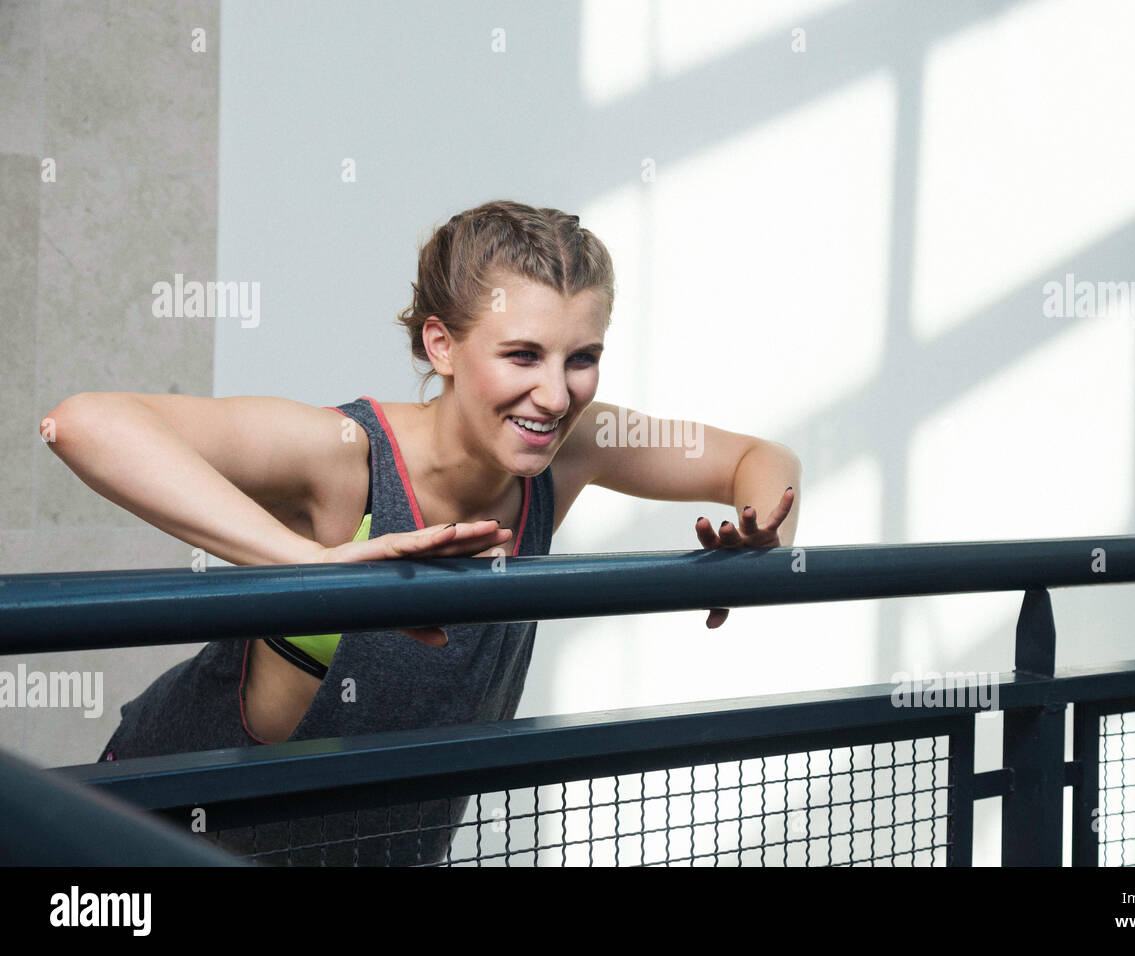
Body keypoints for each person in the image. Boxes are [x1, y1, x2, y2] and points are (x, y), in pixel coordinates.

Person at [42, 199, 802, 863]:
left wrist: (761, 535)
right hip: (148, 838)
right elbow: (82, 424)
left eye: (583, 358)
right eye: (522, 355)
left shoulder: (572, 448)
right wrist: (321, 570)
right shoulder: (343, 458)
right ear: (441, 344)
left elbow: (762, 460)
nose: (555, 392)